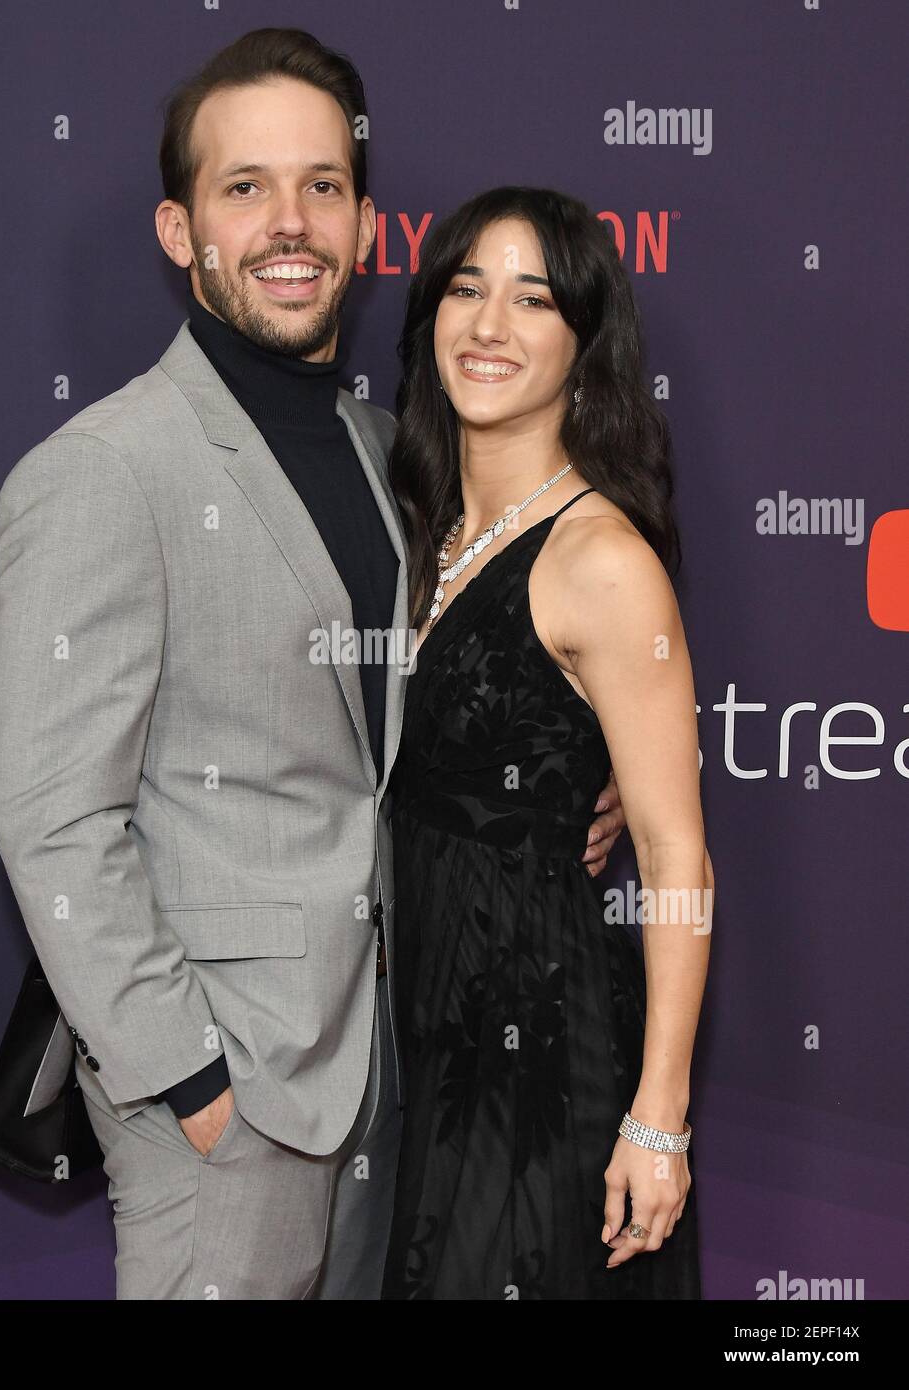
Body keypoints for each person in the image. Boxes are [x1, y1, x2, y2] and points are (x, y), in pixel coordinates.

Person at [0, 31, 624, 1301]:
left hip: (392, 1061)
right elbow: (53, 817)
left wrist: (571, 779)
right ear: (179, 231)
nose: (291, 222)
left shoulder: (391, 450)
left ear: (365, 222)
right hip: (229, 1095)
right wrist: (187, 1079)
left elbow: (411, 717)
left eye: (322, 185)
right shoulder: (106, 470)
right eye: (246, 187)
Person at [380, 186, 712, 1299]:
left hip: (534, 1044)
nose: (488, 325)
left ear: (582, 341)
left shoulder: (601, 558)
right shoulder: (413, 519)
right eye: (465, 288)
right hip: (404, 1025)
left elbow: (673, 858)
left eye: (531, 299)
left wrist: (657, 1118)